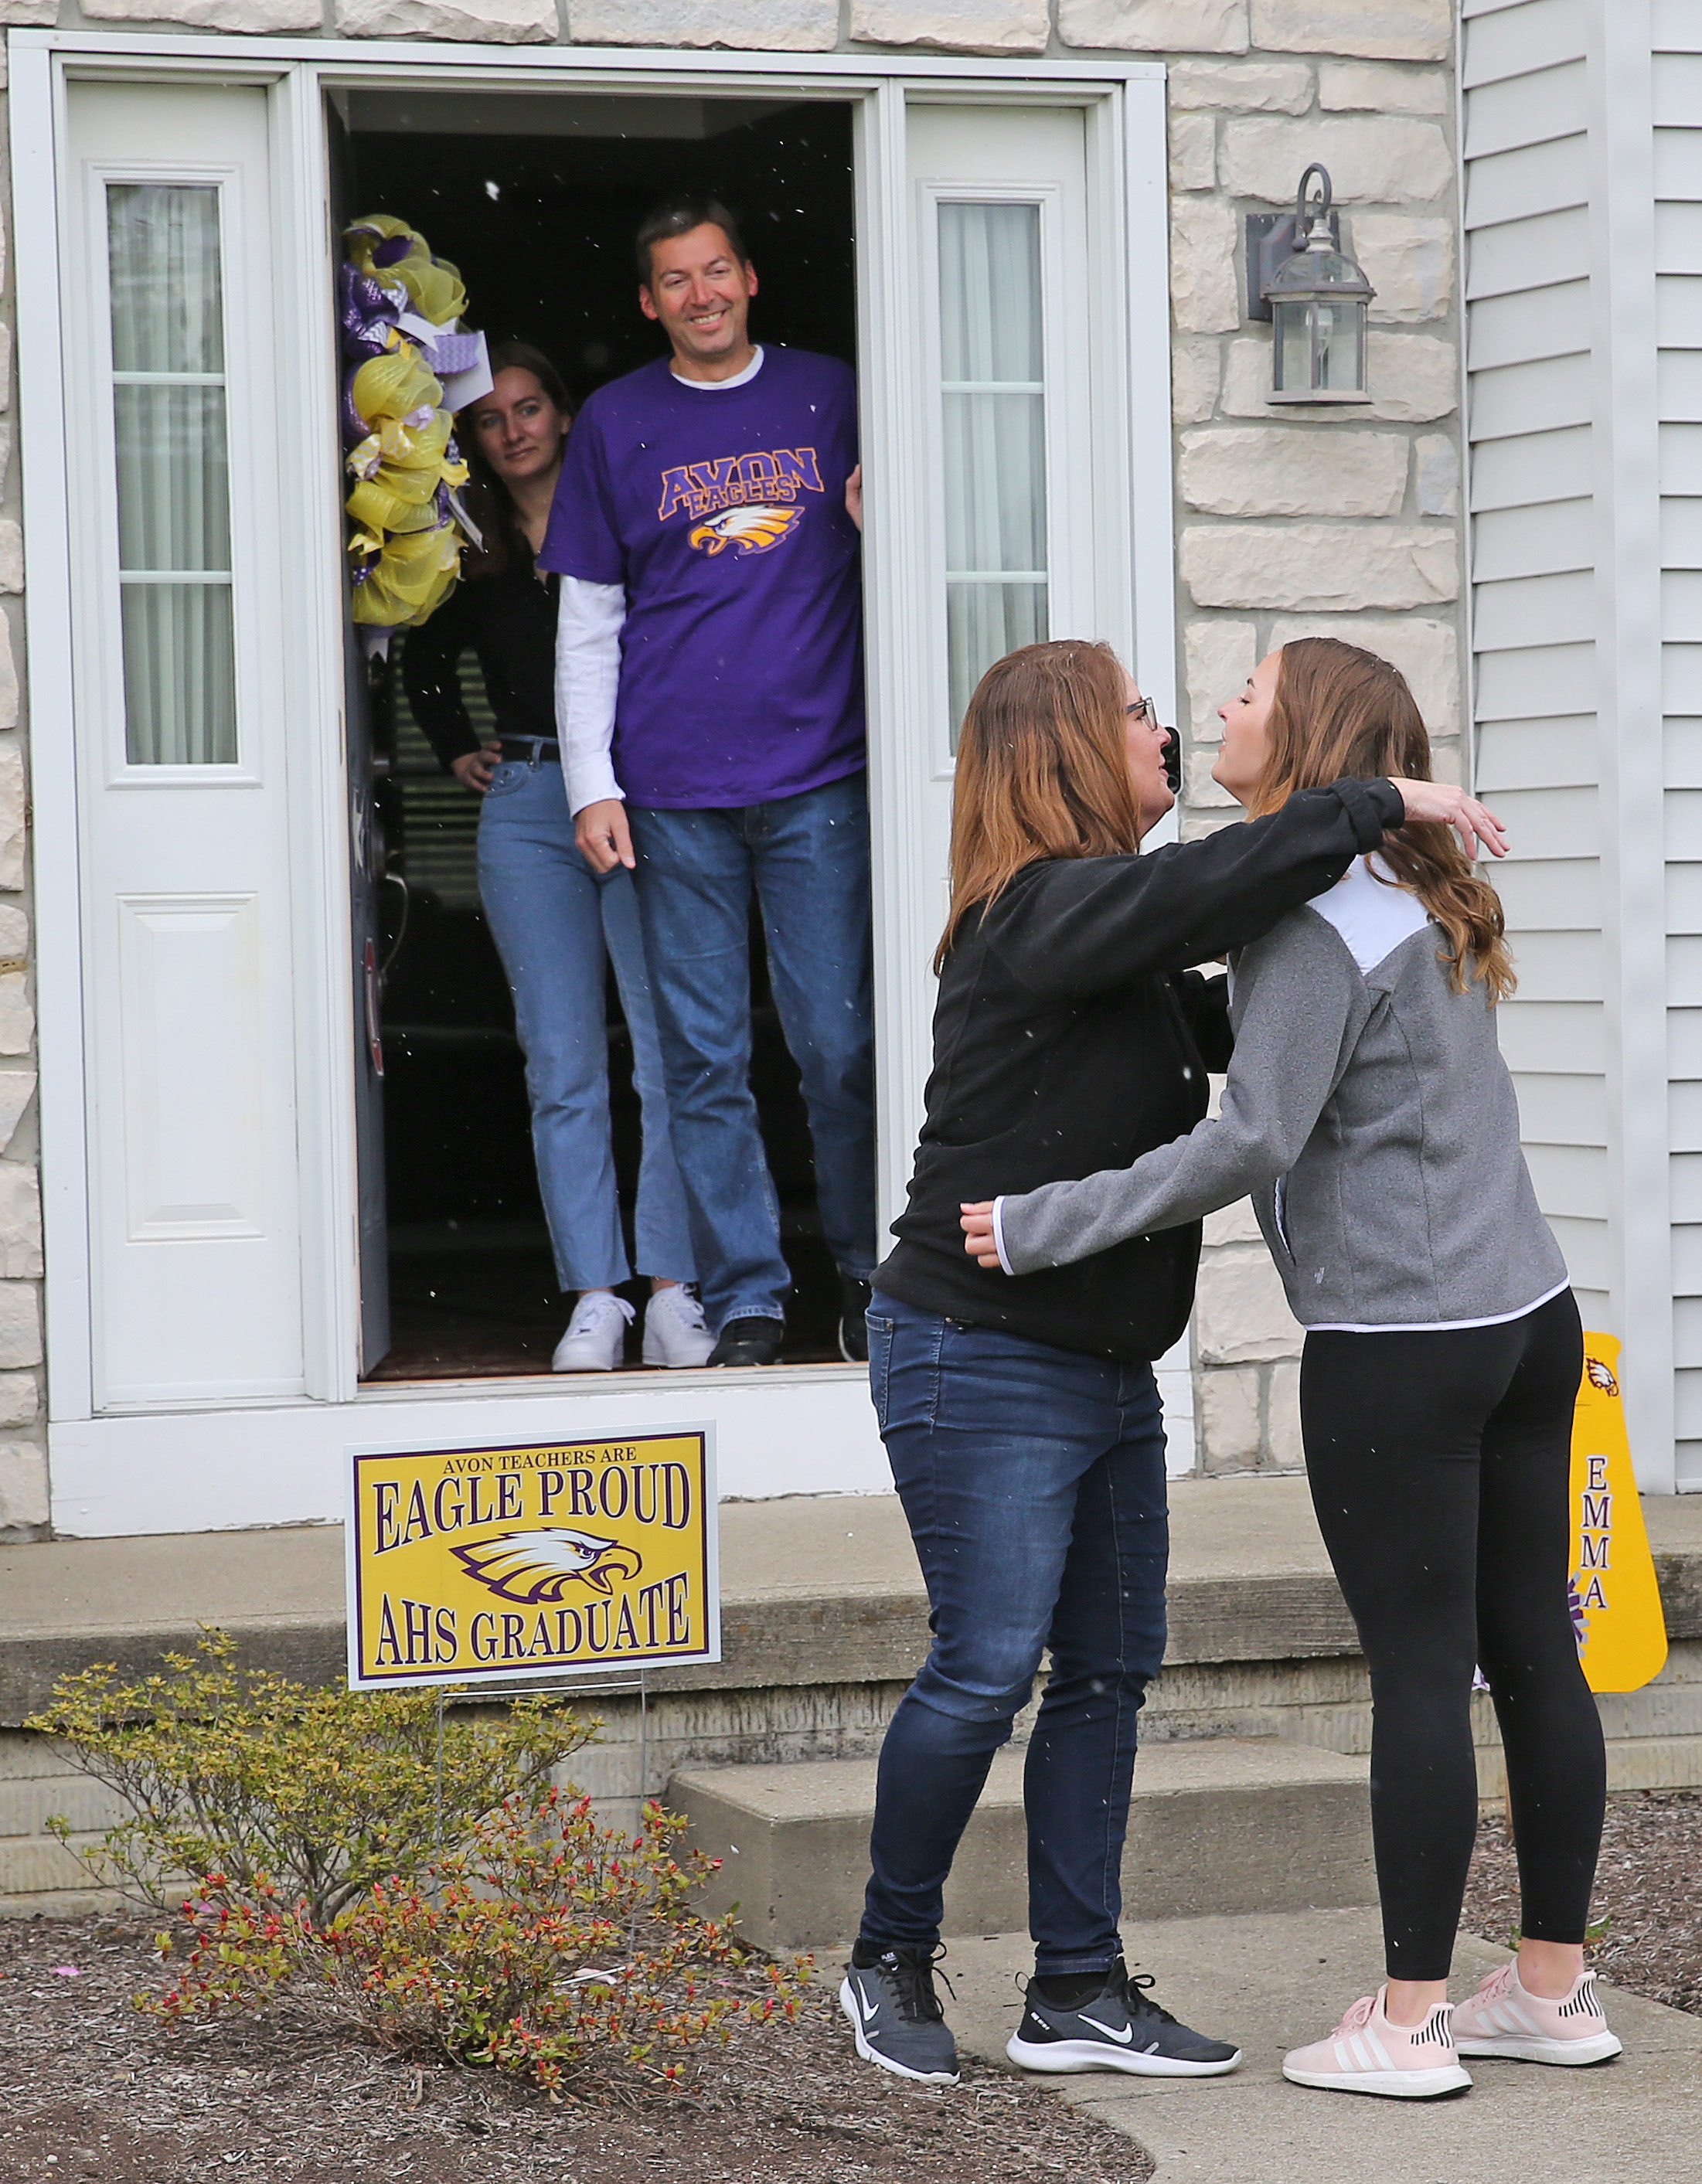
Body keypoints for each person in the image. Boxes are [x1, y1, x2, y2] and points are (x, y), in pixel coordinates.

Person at [839, 636, 1509, 2088]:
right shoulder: (1035, 912)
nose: (1167, 726)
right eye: (1137, 709)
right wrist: (1374, 798)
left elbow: (1274, 1004)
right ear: (1068, 749)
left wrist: (1405, 922)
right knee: (984, 1666)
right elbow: (1207, 889)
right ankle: (886, 1953)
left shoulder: (1120, 942)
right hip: (975, 1349)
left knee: (1105, 1673)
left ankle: (1075, 1987)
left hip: (1099, 1363)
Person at [969, 637, 1618, 2100]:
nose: (1217, 708)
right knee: (1533, 1652)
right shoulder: (1418, 885)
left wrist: (1039, 1221)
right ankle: (1549, 1990)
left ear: (1306, 732)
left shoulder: (1313, 921)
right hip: (1529, 1315)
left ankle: (1407, 2021)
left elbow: (1251, 1134)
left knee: (1418, 1672)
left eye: (1247, 693)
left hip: (1403, 1347)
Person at [540, 195, 874, 1369]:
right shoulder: (617, 422)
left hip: (820, 776)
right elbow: (590, 619)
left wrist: (878, 526)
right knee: (701, 1061)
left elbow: (913, 550)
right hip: (671, 792)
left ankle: (868, 1275)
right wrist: (591, 782)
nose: (702, 294)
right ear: (649, 301)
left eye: (717, 270)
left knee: (840, 1048)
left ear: (750, 279)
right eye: (676, 279)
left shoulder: (832, 393)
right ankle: (747, 1298)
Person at [403, 341, 712, 1373]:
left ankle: (672, 1288)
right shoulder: (470, 546)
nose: (513, 430)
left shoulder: (623, 517)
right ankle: (595, 1295)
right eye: (491, 419)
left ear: (565, 414)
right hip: (530, 803)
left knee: (668, 1054)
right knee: (562, 1063)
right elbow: (422, 656)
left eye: (529, 408)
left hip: (637, 796)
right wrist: (455, 745)